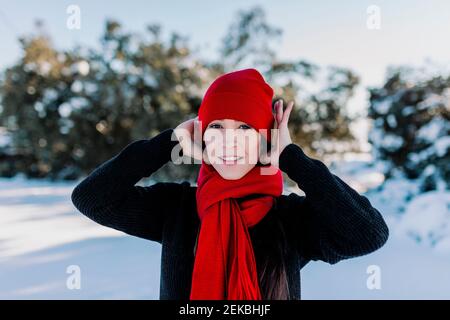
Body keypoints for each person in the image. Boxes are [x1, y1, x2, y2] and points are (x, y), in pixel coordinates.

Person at [71, 68, 389, 300]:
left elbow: (368, 234)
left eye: (244, 128)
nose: (228, 142)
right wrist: (168, 143)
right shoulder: (178, 209)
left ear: (266, 136)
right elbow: (91, 198)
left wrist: (293, 158)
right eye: (217, 126)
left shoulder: (290, 220)